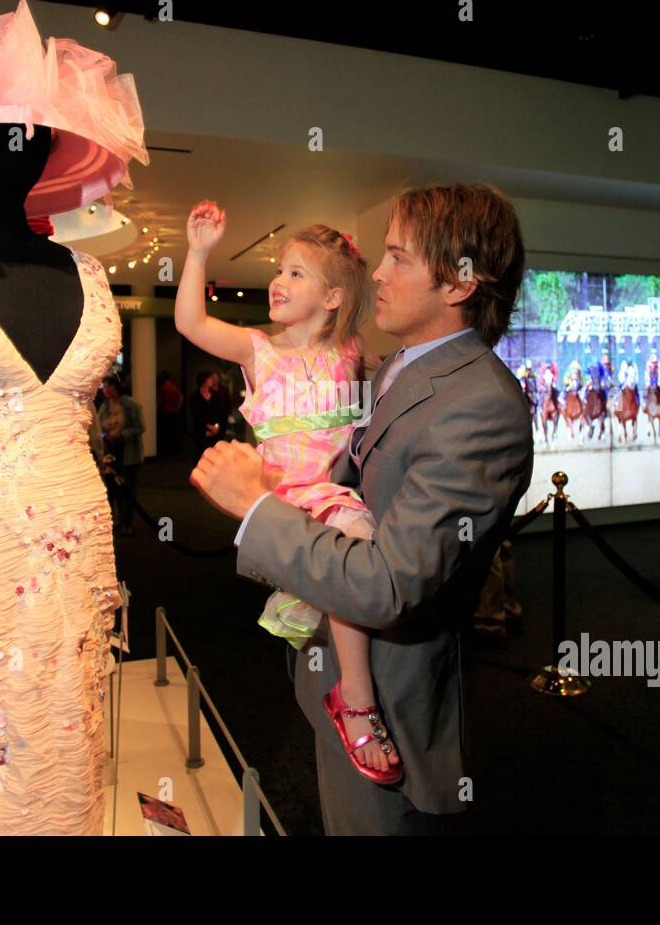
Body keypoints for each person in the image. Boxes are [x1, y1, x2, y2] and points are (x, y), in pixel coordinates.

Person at [190, 183, 534, 834]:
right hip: (332, 653)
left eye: (399, 257)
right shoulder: (392, 366)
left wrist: (257, 508)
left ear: (459, 283)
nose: (377, 271)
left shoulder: (480, 405)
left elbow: (387, 586)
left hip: (392, 697)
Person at [175, 201, 404, 783]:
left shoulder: (350, 354)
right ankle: (357, 697)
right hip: (277, 495)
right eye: (279, 269)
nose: (278, 280)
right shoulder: (260, 350)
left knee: (356, 547)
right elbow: (191, 325)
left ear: (332, 297)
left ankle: (350, 691)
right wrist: (199, 251)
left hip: (326, 494)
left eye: (296, 272)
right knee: (347, 553)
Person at [97, 374, 145, 536]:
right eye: (104, 387)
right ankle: (118, 520)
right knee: (113, 488)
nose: (106, 390)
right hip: (111, 452)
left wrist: (122, 435)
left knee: (127, 488)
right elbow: (98, 428)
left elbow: (140, 427)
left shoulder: (130, 405)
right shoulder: (104, 406)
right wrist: (105, 437)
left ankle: (127, 522)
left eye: (108, 386)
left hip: (128, 452)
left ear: (116, 387)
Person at [188, 371, 227, 456]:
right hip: (200, 430)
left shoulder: (215, 395)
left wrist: (216, 427)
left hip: (215, 430)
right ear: (204, 381)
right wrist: (208, 427)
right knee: (201, 453)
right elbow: (195, 416)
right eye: (210, 379)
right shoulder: (194, 397)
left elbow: (219, 412)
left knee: (214, 454)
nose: (212, 381)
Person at [156, 370, 184, 457]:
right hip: (173, 412)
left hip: (164, 412)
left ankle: (166, 450)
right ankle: (174, 449)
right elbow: (180, 397)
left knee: (165, 433)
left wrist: (156, 409)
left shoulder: (162, 387)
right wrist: (177, 408)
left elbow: (159, 400)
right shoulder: (173, 386)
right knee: (173, 432)